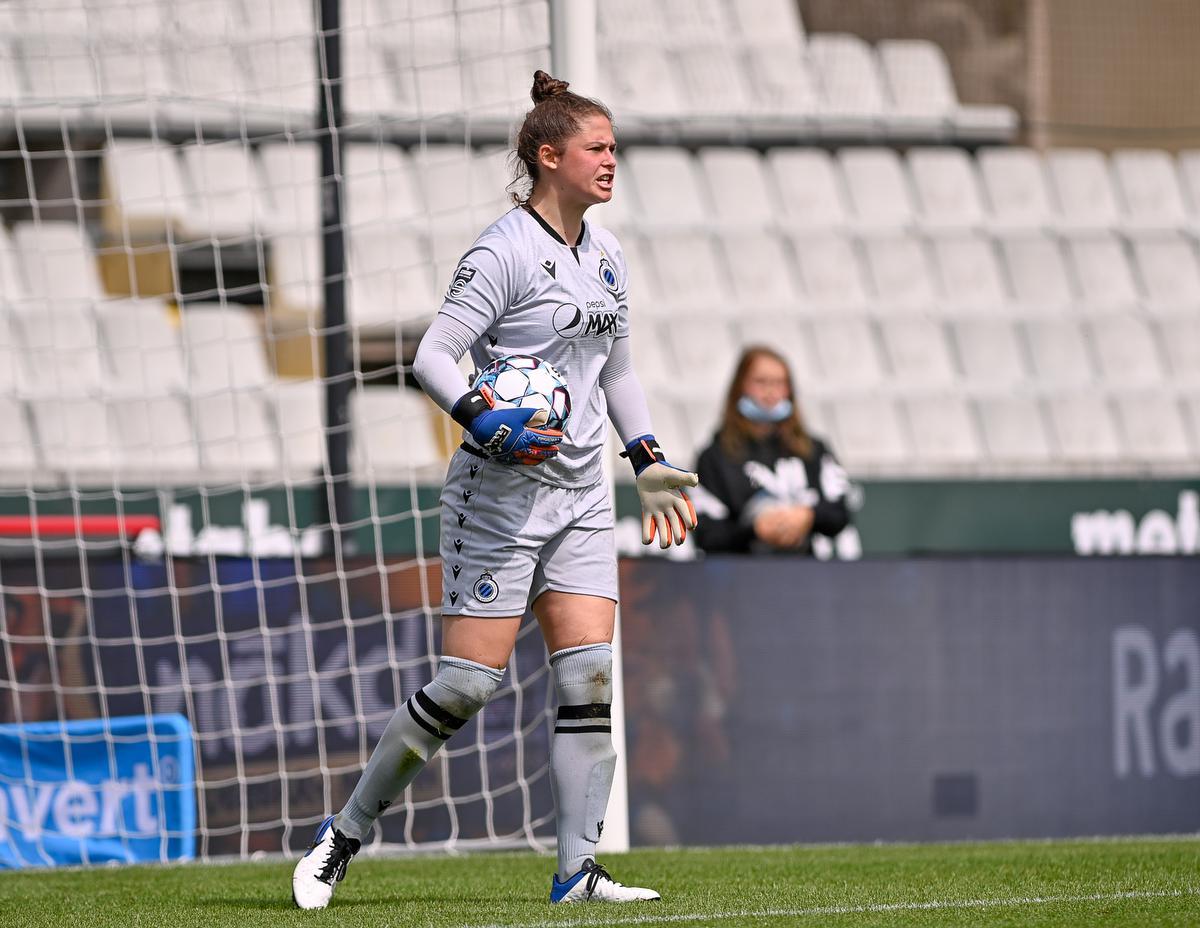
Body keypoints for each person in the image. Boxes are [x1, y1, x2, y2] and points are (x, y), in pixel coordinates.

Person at [291, 70, 698, 909]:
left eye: (615, 147)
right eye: (598, 148)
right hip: (502, 497)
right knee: (468, 686)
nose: (612, 161)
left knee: (587, 678)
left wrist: (645, 458)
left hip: (583, 493)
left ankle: (576, 872)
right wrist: (487, 421)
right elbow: (433, 356)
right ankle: (345, 833)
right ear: (550, 156)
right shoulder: (501, 251)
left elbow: (617, 369)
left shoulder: (610, 254)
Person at [693, 346, 851, 556]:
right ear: (741, 386)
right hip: (742, 577)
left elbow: (840, 512)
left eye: (779, 383)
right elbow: (707, 534)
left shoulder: (813, 450)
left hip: (806, 573)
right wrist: (755, 530)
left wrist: (808, 516)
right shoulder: (714, 457)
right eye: (761, 382)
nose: (770, 392)